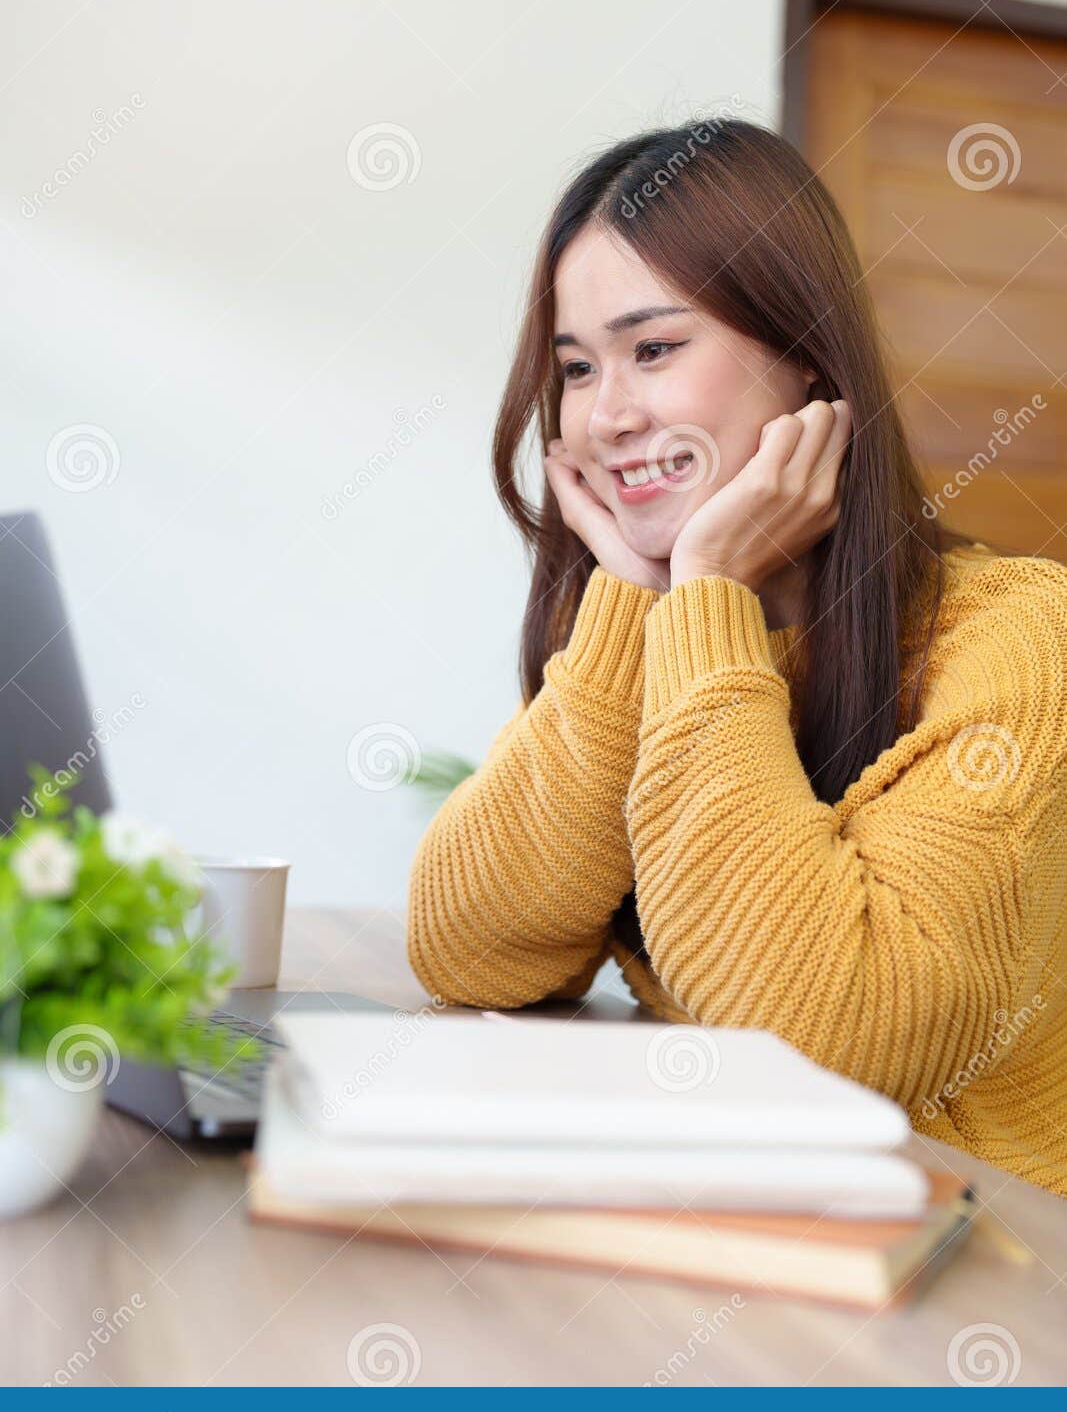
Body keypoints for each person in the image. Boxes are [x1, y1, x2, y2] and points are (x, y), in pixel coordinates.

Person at [406, 117, 1067, 1198]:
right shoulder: (655, 626)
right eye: (575, 367)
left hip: (973, 1260)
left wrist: (703, 589)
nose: (607, 413)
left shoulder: (1012, 637)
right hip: (735, 1214)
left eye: (654, 349)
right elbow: (472, 948)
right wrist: (635, 592)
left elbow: (832, 1036)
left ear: (803, 348)